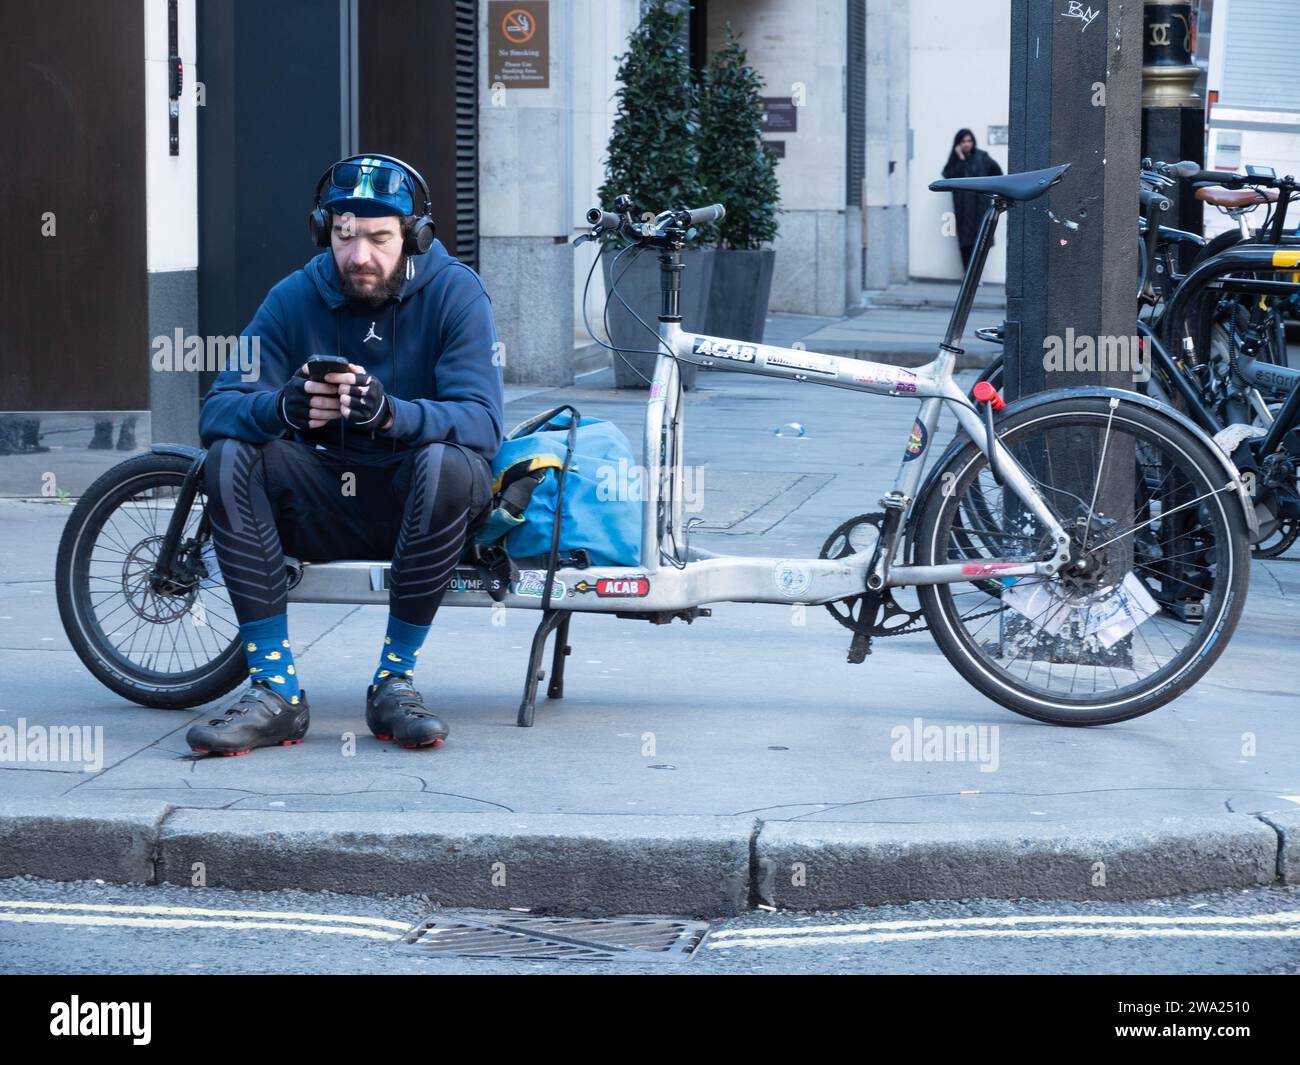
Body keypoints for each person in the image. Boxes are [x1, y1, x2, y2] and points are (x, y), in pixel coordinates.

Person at [190, 154, 504, 757]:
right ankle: (276, 693)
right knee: (229, 454)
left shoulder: (457, 294)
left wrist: (392, 414)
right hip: (320, 503)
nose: (359, 256)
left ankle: (394, 683)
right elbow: (218, 408)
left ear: (415, 236)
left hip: (416, 507)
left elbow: (483, 424)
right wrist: (281, 408)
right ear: (324, 232)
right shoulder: (294, 296)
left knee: (450, 462)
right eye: (344, 236)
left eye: (379, 238)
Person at [942, 129, 1004, 271]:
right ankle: (967, 273)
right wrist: (961, 159)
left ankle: (975, 273)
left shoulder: (982, 157)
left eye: (969, 141)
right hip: (963, 208)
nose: (967, 144)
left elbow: (997, 172)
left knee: (981, 240)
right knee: (965, 242)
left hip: (980, 206)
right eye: (963, 141)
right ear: (958, 144)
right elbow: (947, 176)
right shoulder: (955, 160)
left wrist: (989, 190)